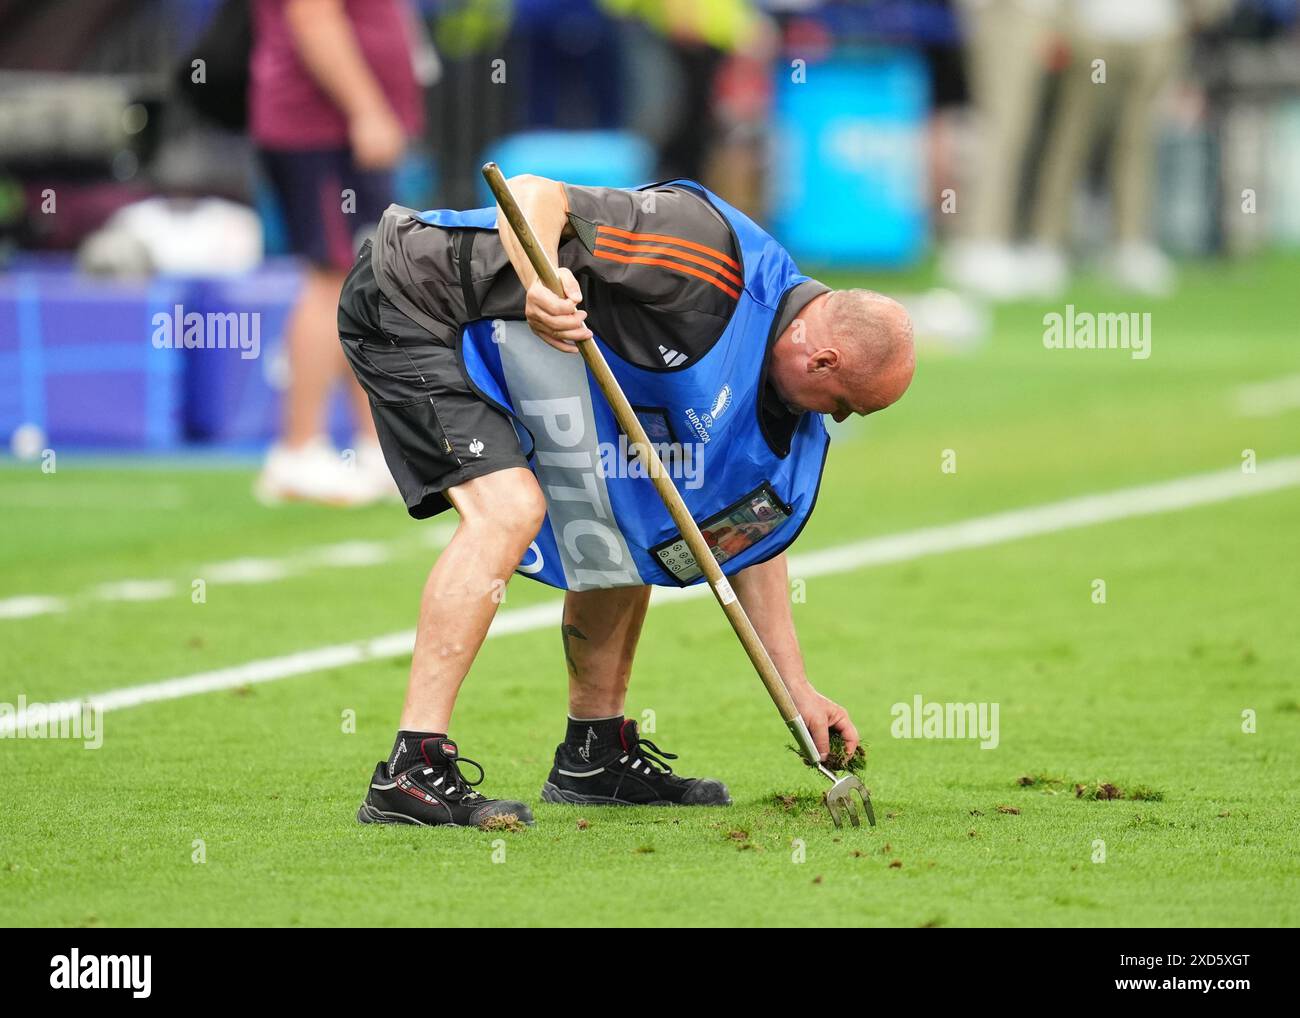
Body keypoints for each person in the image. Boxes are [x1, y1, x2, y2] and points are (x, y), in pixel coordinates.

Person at [338, 175, 914, 827]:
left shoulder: (778, 392)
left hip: (516, 353)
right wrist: (537, 284)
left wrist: (794, 687)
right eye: (844, 405)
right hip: (422, 300)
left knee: (635, 509)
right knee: (508, 510)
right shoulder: (704, 256)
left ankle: (593, 755)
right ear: (821, 361)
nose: (834, 420)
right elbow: (533, 194)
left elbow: (742, 531)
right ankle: (411, 770)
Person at [249, 0, 422, 504]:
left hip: (341, 127)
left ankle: (374, 447)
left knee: (366, 280)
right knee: (331, 278)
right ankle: (298, 449)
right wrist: (366, 109)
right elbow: (312, 18)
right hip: (319, 127)